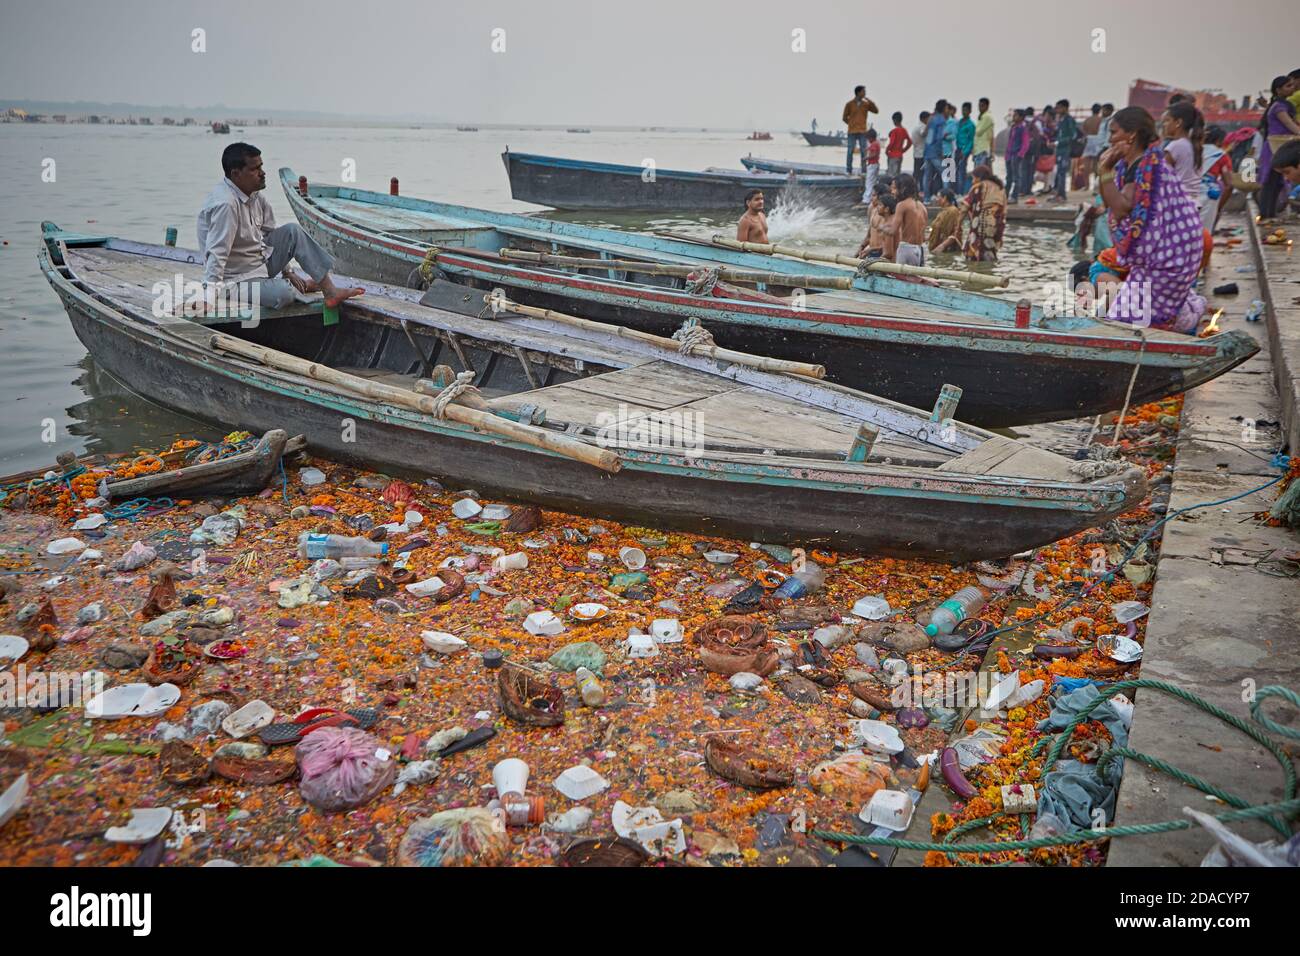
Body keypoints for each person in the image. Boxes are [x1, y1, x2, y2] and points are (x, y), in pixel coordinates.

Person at [196, 142, 362, 315]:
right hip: (235, 281)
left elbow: (271, 236)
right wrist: (208, 298)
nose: (262, 173)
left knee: (293, 231)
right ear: (236, 174)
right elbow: (217, 253)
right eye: (255, 169)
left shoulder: (255, 196)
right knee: (283, 293)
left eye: (261, 167)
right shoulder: (226, 205)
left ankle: (330, 290)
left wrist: (288, 272)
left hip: (258, 265)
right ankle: (299, 287)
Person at [1096, 106, 1207, 333]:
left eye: (1114, 132)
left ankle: (1183, 324)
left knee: (1127, 319)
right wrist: (1105, 172)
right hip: (1175, 251)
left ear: (1131, 135)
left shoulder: (1144, 165)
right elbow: (1112, 203)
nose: (1110, 139)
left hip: (1169, 256)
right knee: (1128, 314)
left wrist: (1104, 169)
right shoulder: (1139, 163)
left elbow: (1121, 208)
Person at [1258, 75, 1300, 218]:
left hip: (1281, 146)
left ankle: (1270, 214)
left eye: (1292, 85)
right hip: (1274, 147)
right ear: (1278, 90)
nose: (1292, 88)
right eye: (1288, 86)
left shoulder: (1284, 105)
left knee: (1276, 183)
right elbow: (1289, 124)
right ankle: (1265, 214)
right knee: (1270, 182)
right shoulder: (1279, 107)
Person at [1161, 100, 1205, 206]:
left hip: (1177, 203)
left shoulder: (1175, 146)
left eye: (1167, 120)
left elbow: (1162, 178)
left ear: (1178, 123)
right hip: (1193, 202)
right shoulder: (1195, 146)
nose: (1164, 125)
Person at [960, 165, 1007, 262]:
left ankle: (976, 268)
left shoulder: (978, 187)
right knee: (989, 248)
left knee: (975, 249)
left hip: (980, 224)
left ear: (979, 177)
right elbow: (1004, 209)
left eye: (973, 178)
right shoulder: (1000, 187)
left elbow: (965, 207)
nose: (972, 181)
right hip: (996, 224)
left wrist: (958, 223)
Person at [883, 173, 929, 265]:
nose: (892, 192)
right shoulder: (922, 206)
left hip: (906, 249)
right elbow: (924, 238)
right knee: (915, 274)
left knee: (902, 274)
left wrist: (880, 227)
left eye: (894, 188)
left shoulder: (901, 205)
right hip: (919, 249)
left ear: (903, 189)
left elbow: (893, 231)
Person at [1200, 126, 1235, 232]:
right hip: (1209, 196)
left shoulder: (1192, 151)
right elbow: (1229, 185)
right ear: (1219, 141)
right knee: (1204, 234)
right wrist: (1219, 207)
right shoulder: (1221, 156)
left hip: (1187, 195)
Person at [843, 85, 879, 175]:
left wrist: (870, 101)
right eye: (863, 91)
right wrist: (851, 124)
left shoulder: (866, 104)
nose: (865, 93)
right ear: (858, 93)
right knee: (850, 150)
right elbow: (844, 117)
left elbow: (876, 111)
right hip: (852, 131)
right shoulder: (849, 104)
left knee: (864, 151)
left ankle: (863, 170)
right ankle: (848, 170)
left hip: (862, 131)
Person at [1052, 99, 1078, 200]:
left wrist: (1059, 142)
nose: (1057, 110)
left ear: (1065, 108)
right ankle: (1058, 193)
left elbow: (1073, 135)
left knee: (1062, 172)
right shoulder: (1060, 120)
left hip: (1065, 150)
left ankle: (1062, 195)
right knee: (1059, 172)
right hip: (1059, 150)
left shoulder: (1069, 120)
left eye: (1059, 108)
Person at [923, 101, 948, 200]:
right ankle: (946, 197)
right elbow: (939, 138)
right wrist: (940, 152)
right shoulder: (941, 120)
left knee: (927, 176)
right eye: (946, 108)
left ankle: (926, 198)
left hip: (927, 151)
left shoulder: (931, 119)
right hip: (935, 152)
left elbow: (927, 135)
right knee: (945, 173)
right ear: (943, 108)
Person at [1005, 109, 1028, 202]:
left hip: (1016, 155)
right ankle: (1005, 196)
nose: (1014, 117)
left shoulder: (1022, 129)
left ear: (1021, 117)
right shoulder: (1013, 127)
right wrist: (1006, 154)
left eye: (1016, 115)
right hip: (1009, 155)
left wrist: (1020, 155)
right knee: (1008, 177)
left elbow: (1025, 144)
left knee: (1016, 177)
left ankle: (1014, 197)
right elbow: (1010, 141)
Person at [956, 102, 976, 194]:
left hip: (964, 151)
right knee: (954, 171)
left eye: (966, 110)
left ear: (970, 111)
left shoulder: (971, 125)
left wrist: (965, 152)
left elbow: (971, 140)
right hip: (956, 149)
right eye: (963, 110)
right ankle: (956, 191)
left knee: (961, 171)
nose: (964, 112)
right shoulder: (959, 122)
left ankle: (961, 192)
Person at [886, 112, 912, 178]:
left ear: (894, 120)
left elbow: (891, 143)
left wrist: (887, 150)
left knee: (891, 175)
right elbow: (910, 142)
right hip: (899, 155)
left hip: (893, 155)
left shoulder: (894, 131)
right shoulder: (904, 130)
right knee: (897, 174)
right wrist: (903, 150)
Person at [972, 97, 994, 172]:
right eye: (979, 106)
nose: (980, 108)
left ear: (987, 106)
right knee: (978, 171)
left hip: (982, 149)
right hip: (978, 149)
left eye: (982, 106)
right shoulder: (982, 117)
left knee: (979, 172)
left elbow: (978, 131)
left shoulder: (987, 117)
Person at [942, 102, 959, 191]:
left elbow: (954, 136)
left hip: (949, 150)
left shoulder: (953, 122)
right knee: (943, 173)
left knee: (950, 174)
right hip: (940, 151)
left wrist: (945, 137)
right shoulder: (940, 121)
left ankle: (949, 192)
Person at [862, 128, 882, 203]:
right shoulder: (877, 143)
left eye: (868, 139)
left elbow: (874, 154)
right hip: (875, 164)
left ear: (871, 137)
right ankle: (872, 197)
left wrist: (866, 158)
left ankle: (867, 199)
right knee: (873, 181)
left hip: (872, 164)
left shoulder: (874, 144)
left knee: (869, 182)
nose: (868, 140)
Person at [912, 111, 931, 183]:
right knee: (921, 174)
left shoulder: (916, 127)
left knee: (916, 173)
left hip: (916, 153)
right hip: (922, 154)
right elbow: (923, 133)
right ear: (924, 119)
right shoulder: (922, 126)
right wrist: (928, 126)